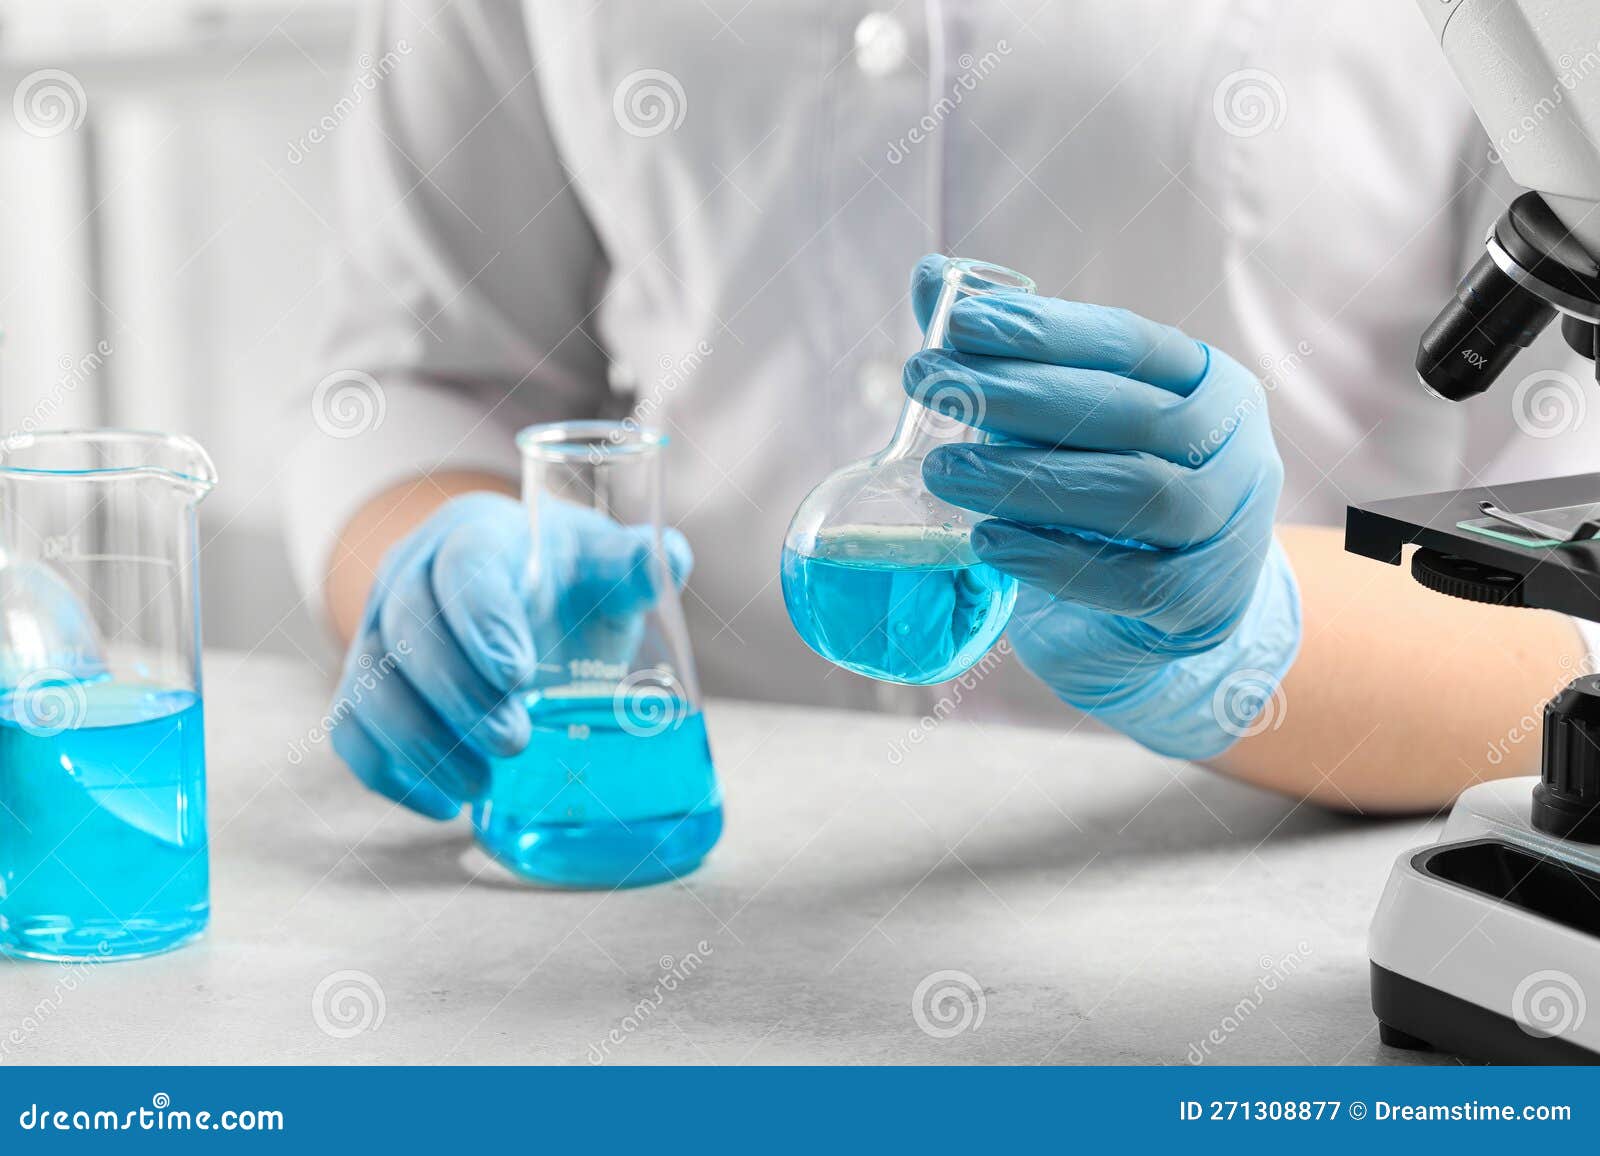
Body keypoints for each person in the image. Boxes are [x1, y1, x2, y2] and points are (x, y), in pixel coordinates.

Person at [282, 0, 1595, 820]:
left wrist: (1241, 638)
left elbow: (1567, 574)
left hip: (1239, 900)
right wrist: (436, 562)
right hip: (679, 872)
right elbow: (427, 375)